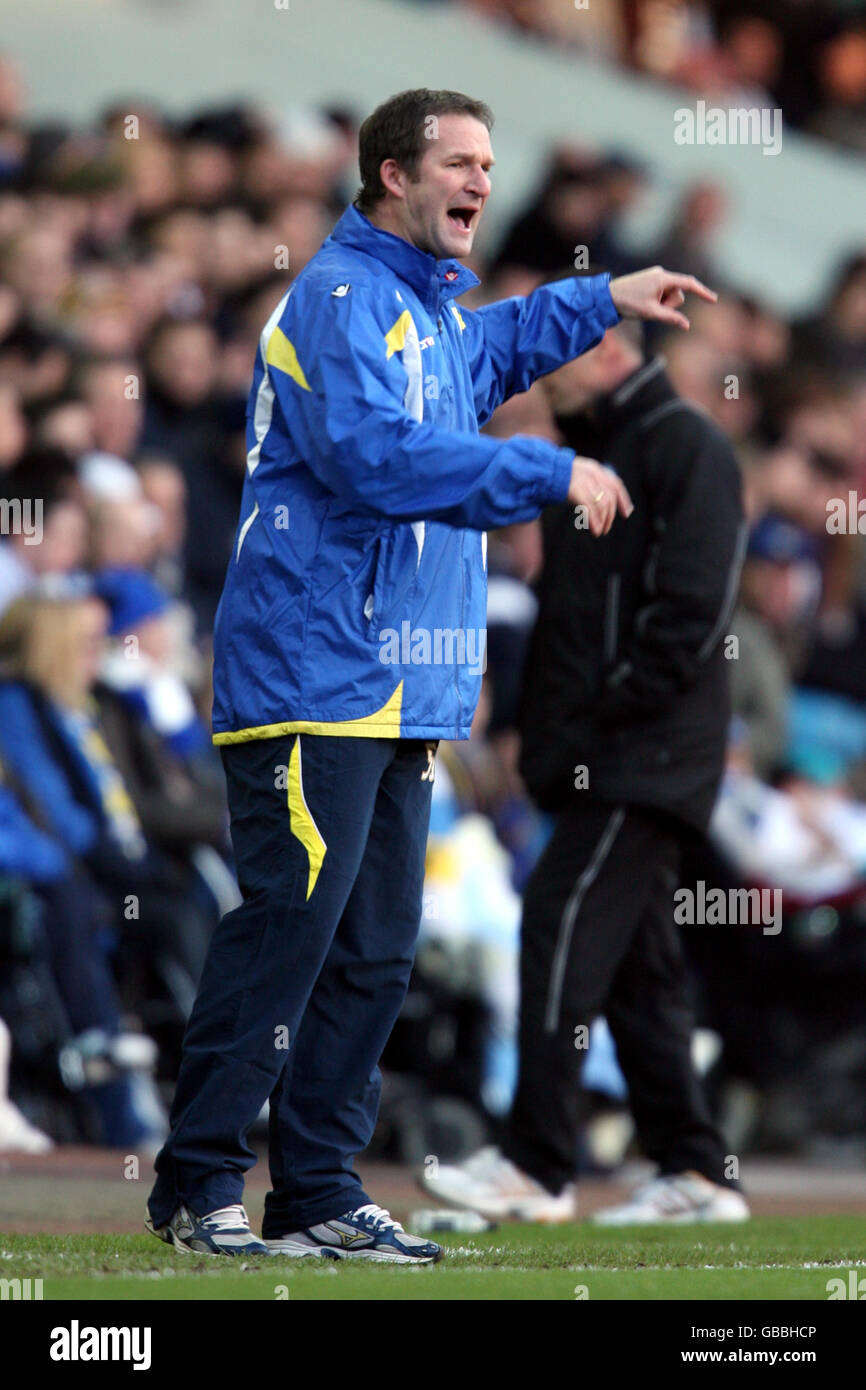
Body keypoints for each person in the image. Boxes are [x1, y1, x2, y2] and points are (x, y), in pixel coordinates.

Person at [146, 87, 716, 1262]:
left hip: (398, 690)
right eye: (458, 162)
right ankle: (198, 1184)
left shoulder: (429, 309)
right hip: (309, 677)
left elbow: (495, 342)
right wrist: (541, 471)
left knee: (372, 952)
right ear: (391, 176)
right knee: (288, 932)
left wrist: (604, 297)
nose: (480, 183)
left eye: (490, 165)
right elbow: (381, 459)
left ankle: (313, 1189)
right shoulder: (339, 298)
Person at [425, 322, 751, 1225]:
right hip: (606, 756)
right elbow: (572, 620)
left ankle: (536, 1162)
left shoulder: (686, 445)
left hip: (642, 758)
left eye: (558, 353)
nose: (538, 371)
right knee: (641, 970)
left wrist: (606, 709)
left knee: (557, 925)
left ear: (611, 353)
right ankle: (696, 1166)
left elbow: (693, 608)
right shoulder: (591, 454)